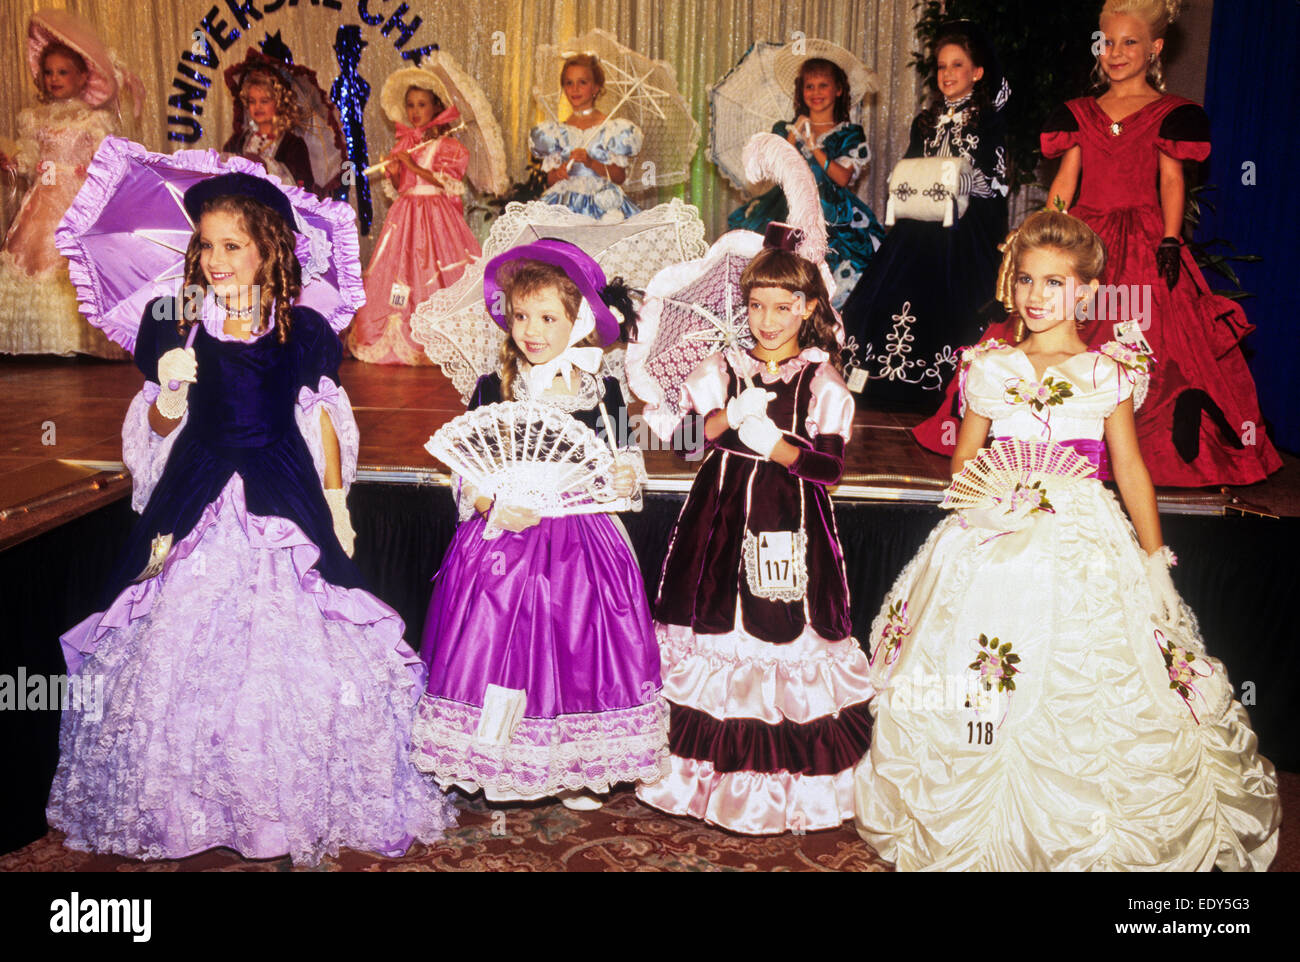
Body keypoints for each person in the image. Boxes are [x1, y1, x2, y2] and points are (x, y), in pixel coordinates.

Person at [46, 173, 457, 865]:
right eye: (207, 245)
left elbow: (321, 418)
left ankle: (282, 800)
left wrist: (335, 503)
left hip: (282, 484)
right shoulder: (172, 319)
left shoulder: (302, 328)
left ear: (268, 249)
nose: (216, 259)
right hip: (196, 483)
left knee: (301, 630)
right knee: (171, 630)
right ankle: (188, 803)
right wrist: (170, 392)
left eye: (232, 245)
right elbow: (153, 426)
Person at [852, 210, 1280, 870]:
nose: (1035, 295)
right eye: (1025, 279)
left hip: (1085, 532)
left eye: (1054, 283)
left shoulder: (1109, 371)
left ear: (1084, 290)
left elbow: (1131, 468)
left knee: (1101, 671)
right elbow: (966, 461)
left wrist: (1154, 560)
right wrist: (987, 504)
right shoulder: (990, 366)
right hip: (993, 530)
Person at [915, 0, 1281, 487]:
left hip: (1145, 242)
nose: (1116, 52)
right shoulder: (1080, 113)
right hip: (1084, 238)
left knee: (1149, 336)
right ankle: (1040, 432)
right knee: (1053, 322)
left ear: (1155, 48)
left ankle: (1140, 450)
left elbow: (1172, 181)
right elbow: (1066, 180)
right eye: (1108, 42)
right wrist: (1044, 230)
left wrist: (1172, 239)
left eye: (1129, 43)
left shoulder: (1171, 113)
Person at [635, 225, 874, 835]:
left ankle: (779, 786)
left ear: (809, 309)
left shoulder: (821, 383)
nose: (768, 320)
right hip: (715, 521)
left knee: (778, 626)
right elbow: (685, 445)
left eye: (784, 307)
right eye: (757, 305)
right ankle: (696, 776)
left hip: (786, 524)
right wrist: (725, 418)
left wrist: (776, 446)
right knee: (710, 624)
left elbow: (828, 468)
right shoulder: (722, 369)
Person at [412, 239, 666, 810]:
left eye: (548, 317)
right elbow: (466, 471)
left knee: (578, 647)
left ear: (579, 323)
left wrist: (626, 476)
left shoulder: (605, 394)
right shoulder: (492, 389)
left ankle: (574, 765)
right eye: (521, 316)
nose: (531, 330)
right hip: (506, 543)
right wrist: (489, 506)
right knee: (500, 649)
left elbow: (625, 457)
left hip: (584, 545)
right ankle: (498, 758)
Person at [843, 23, 1009, 401]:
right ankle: (881, 382)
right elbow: (912, 164)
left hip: (962, 232)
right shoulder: (926, 120)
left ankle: (943, 388)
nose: (947, 74)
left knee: (951, 304)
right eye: (941, 67)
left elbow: (998, 183)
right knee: (888, 293)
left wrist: (964, 182)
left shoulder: (987, 122)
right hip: (917, 227)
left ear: (977, 72)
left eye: (957, 65)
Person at [0, 10, 136, 357]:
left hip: (77, 199)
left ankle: (78, 340)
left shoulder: (91, 120)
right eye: (48, 72)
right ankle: (37, 341)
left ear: (81, 78)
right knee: (32, 255)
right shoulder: (34, 118)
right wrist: (14, 161)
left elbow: (102, 162)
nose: (54, 79)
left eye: (63, 72)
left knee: (69, 258)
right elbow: (31, 159)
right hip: (41, 201)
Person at [727, 57, 886, 309]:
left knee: (831, 285)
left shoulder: (850, 134)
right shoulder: (784, 128)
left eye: (823, 85)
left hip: (833, 214)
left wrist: (814, 146)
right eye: (809, 86)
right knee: (778, 278)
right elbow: (771, 169)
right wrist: (793, 136)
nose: (816, 93)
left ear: (838, 90)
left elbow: (843, 178)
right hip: (785, 208)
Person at [348, 69, 482, 365]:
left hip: (436, 217)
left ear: (436, 107)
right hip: (406, 215)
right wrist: (396, 173)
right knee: (399, 270)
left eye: (422, 104)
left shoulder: (449, 145)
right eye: (411, 105)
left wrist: (414, 166)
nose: (415, 111)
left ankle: (440, 333)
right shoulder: (406, 143)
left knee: (434, 268)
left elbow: (448, 182)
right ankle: (396, 331)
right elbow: (400, 189)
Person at [530, 54, 643, 222]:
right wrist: (558, 173)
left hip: (602, 202)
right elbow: (550, 180)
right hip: (564, 203)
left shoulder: (611, 130)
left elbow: (619, 177)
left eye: (582, 82)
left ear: (596, 88)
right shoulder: (557, 132)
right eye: (569, 83)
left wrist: (591, 163)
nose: (575, 89)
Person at [222, 68, 316, 194]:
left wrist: (267, 166)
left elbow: (303, 187)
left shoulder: (293, 145)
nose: (257, 107)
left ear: (279, 102)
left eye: (264, 101)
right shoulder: (238, 140)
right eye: (252, 101)